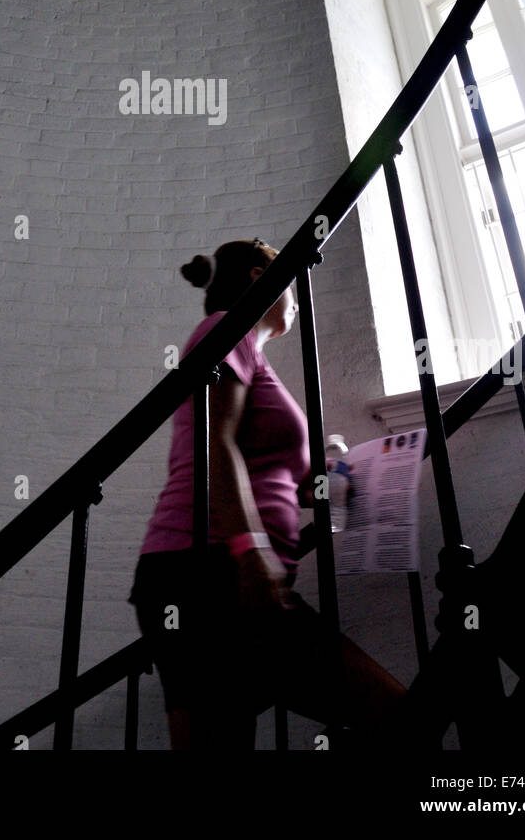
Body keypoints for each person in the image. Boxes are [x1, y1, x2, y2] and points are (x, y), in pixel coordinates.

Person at [128, 237, 409, 751]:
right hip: (206, 571)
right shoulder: (223, 330)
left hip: (219, 572)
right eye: (289, 279)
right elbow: (216, 444)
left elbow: (293, 483)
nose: (298, 298)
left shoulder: (253, 356)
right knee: (398, 716)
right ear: (260, 278)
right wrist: (249, 551)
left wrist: (346, 472)